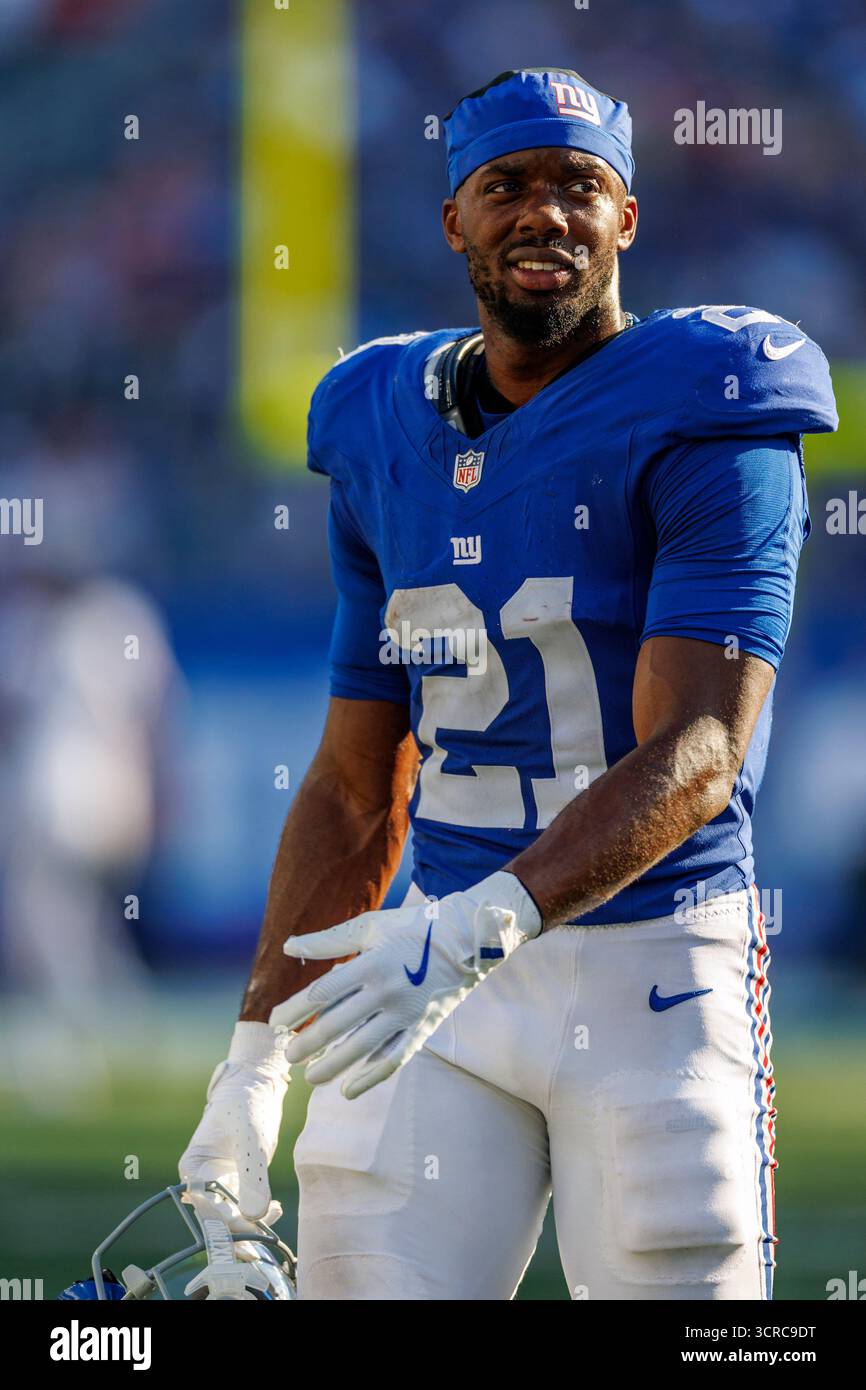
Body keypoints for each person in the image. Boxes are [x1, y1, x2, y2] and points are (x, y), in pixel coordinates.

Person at [180, 68, 837, 1300]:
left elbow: (697, 750)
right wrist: (254, 1056)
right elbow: (352, 778)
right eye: (506, 187)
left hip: (649, 961)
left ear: (625, 219)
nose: (544, 215)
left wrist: (481, 925)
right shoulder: (380, 419)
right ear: (454, 221)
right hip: (431, 975)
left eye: (579, 187)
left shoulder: (715, 401)